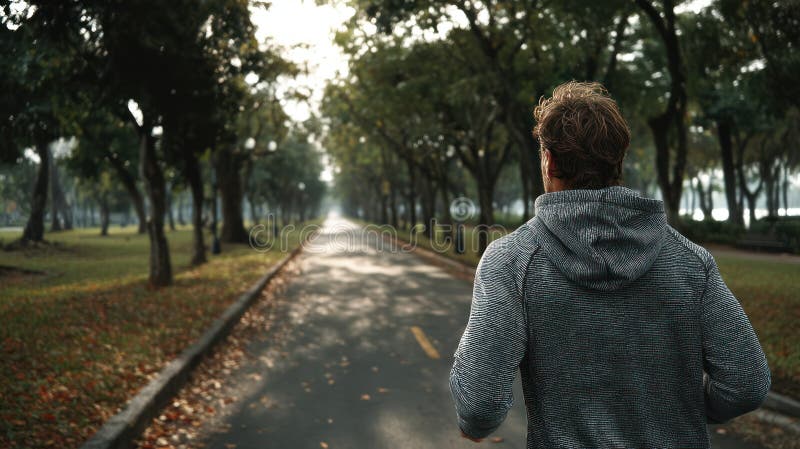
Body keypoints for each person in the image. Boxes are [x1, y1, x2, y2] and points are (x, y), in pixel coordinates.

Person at [449, 81, 771, 448]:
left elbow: (480, 402)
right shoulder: (691, 263)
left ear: (549, 161)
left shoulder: (512, 262)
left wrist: (472, 426)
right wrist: (687, 412)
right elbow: (747, 382)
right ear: (618, 160)